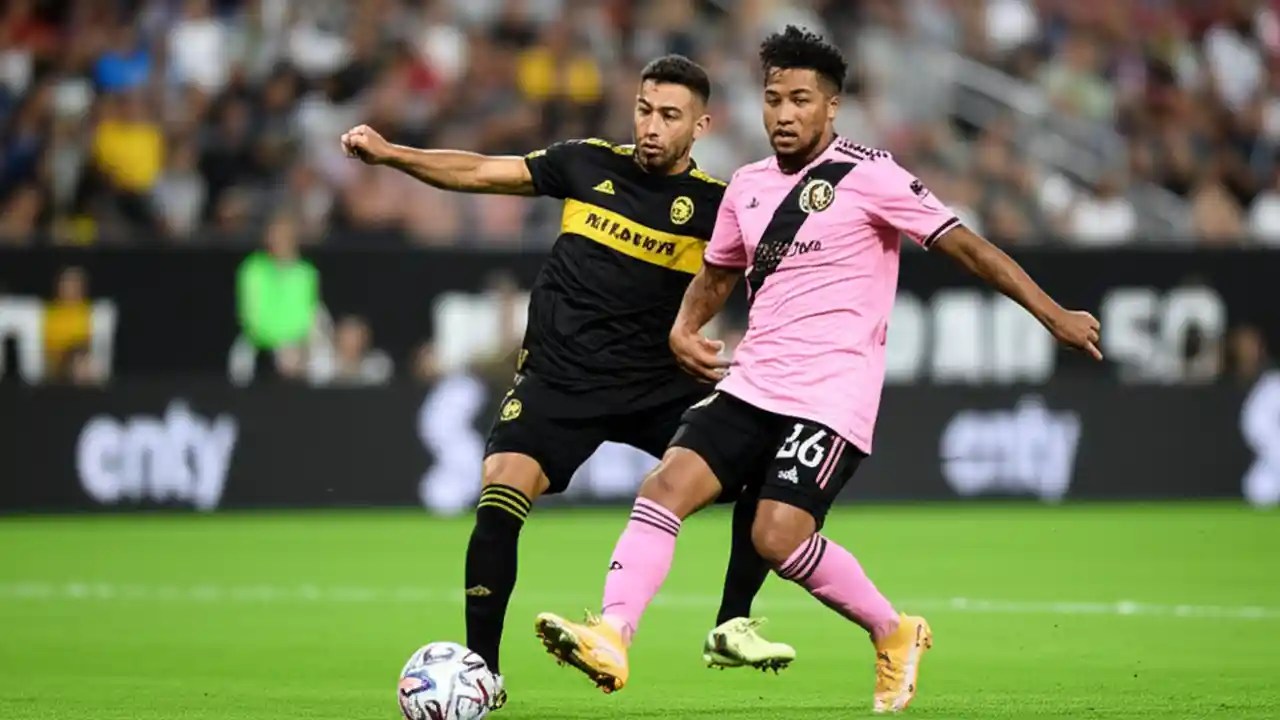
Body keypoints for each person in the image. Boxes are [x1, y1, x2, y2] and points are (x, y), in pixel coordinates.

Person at [532, 27, 1104, 713]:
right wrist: (684, 327)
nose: (782, 113)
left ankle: (894, 632)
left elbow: (971, 250)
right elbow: (717, 274)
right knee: (664, 486)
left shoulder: (873, 176)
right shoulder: (745, 185)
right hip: (752, 383)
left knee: (776, 536)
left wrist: (1053, 315)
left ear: (831, 107)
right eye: (773, 98)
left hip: (831, 398)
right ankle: (613, 634)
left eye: (800, 99)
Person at [340, 55, 794, 710]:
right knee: (501, 489)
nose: (652, 127)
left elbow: (783, 279)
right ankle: (484, 673)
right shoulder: (586, 163)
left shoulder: (718, 208)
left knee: (766, 467)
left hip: (659, 385)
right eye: (645, 109)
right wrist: (389, 154)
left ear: (702, 125)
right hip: (560, 380)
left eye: (670, 116)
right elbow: (477, 171)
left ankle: (732, 621)